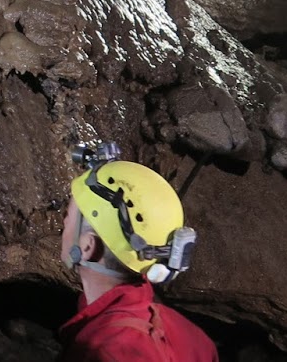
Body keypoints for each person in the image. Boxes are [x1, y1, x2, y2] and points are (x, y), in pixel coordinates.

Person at [57, 143, 218, 361]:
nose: (62, 226)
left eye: (67, 219)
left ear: (87, 247)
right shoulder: (189, 335)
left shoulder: (104, 352)